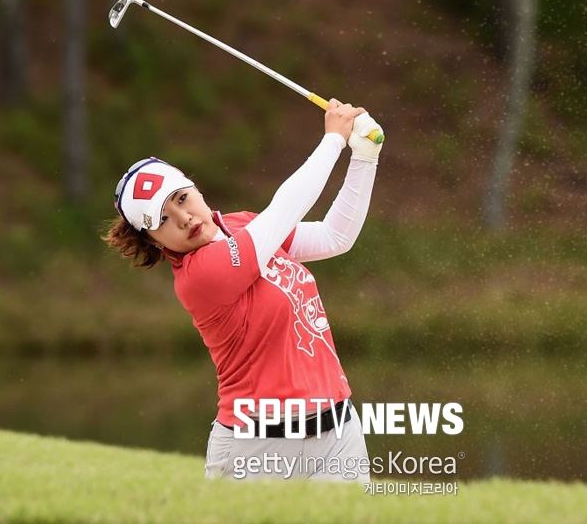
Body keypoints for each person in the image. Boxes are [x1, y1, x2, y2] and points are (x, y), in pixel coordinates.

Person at [103, 99, 384, 482]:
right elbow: (284, 210)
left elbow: (334, 236)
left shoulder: (241, 225)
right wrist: (333, 140)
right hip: (256, 449)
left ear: (195, 189)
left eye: (182, 199)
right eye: (163, 219)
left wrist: (364, 158)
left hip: (337, 433)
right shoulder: (199, 275)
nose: (184, 218)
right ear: (152, 240)